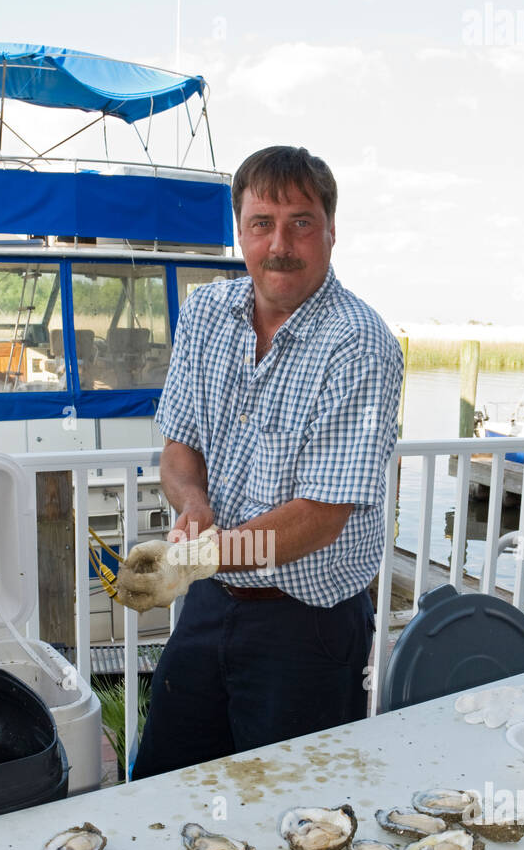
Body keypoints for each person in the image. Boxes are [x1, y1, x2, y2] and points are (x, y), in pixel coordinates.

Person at [117, 145, 404, 779]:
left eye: (301, 222)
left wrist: (197, 556)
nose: (281, 243)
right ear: (240, 230)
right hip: (212, 604)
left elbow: (321, 517)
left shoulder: (361, 344)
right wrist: (194, 508)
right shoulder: (206, 314)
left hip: (310, 629)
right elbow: (179, 446)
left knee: (293, 815)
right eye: (261, 223)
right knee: (164, 781)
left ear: (331, 231)